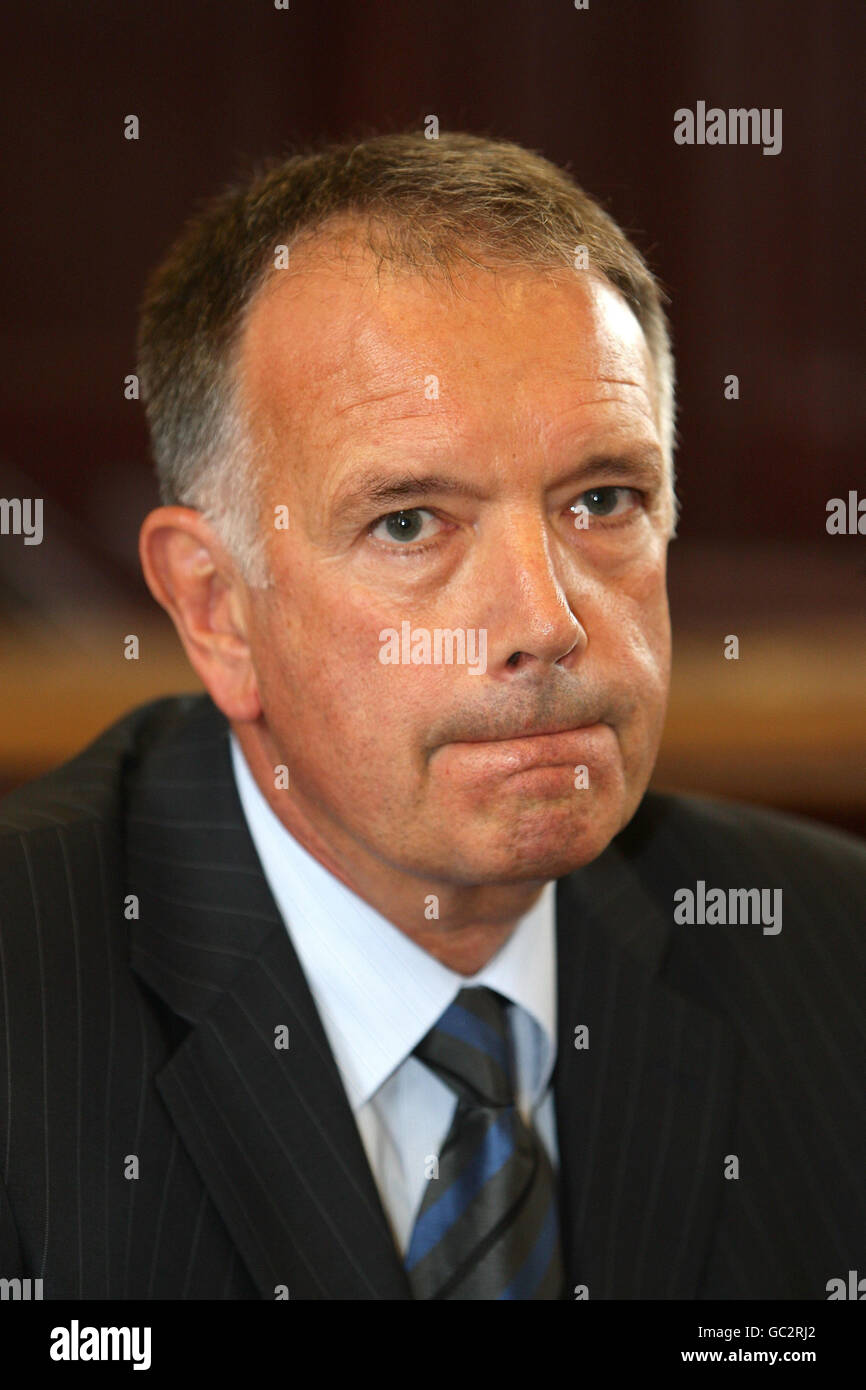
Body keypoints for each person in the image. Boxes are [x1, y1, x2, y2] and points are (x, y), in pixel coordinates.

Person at [1, 132, 863, 1301]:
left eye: (602, 499)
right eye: (409, 521)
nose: (544, 621)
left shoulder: (828, 960)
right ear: (216, 611)